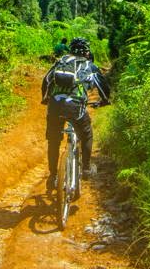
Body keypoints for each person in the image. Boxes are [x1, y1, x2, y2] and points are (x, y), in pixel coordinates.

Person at [41, 37, 110, 189]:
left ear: (70, 50)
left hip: (54, 106)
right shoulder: (89, 65)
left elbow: (46, 80)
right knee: (86, 133)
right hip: (76, 107)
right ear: (87, 52)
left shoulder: (61, 62)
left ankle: (53, 176)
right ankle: (86, 168)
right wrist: (105, 100)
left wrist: (45, 98)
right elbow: (103, 86)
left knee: (53, 140)